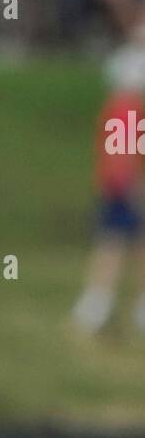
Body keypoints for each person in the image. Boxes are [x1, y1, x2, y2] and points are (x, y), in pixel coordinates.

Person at [71, 38, 145, 334]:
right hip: (123, 188)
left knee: (116, 243)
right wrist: (136, 189)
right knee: (117, 245)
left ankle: (97, 306)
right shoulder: (128, 107)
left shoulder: (116, 105)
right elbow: (124, 155)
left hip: (115, 186)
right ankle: (98, 307)